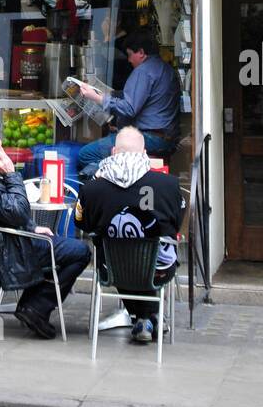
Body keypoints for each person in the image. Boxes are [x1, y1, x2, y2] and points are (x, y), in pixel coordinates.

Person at [0, 127, 89, 340]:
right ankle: (36, 307)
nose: (3, 153)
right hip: (9, 253)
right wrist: (11, 174)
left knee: (57, 246)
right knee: (81, 251)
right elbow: (19, 211)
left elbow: (2, 214)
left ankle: (34, 305)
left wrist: (32, 228)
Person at [77, 126, 184, 345]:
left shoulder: (92, 189)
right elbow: (175, 225)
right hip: (160, 270)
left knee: (122, 261)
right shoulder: (169, 185)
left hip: (113, 270)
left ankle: (143, 317)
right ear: (145, 154)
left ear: (114, 152)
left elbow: (82, 224)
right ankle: (150, 317)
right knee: (147, 261)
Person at [77, 29, 181, 178]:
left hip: (151, 138)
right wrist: (111, 95)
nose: (129, 60)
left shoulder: (143, 71)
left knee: (86, 154)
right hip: (166, 137)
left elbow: (129, 108)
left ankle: (118, 183)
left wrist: (97, 98)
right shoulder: (165, 69)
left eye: (130, 54)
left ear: (141, 52)